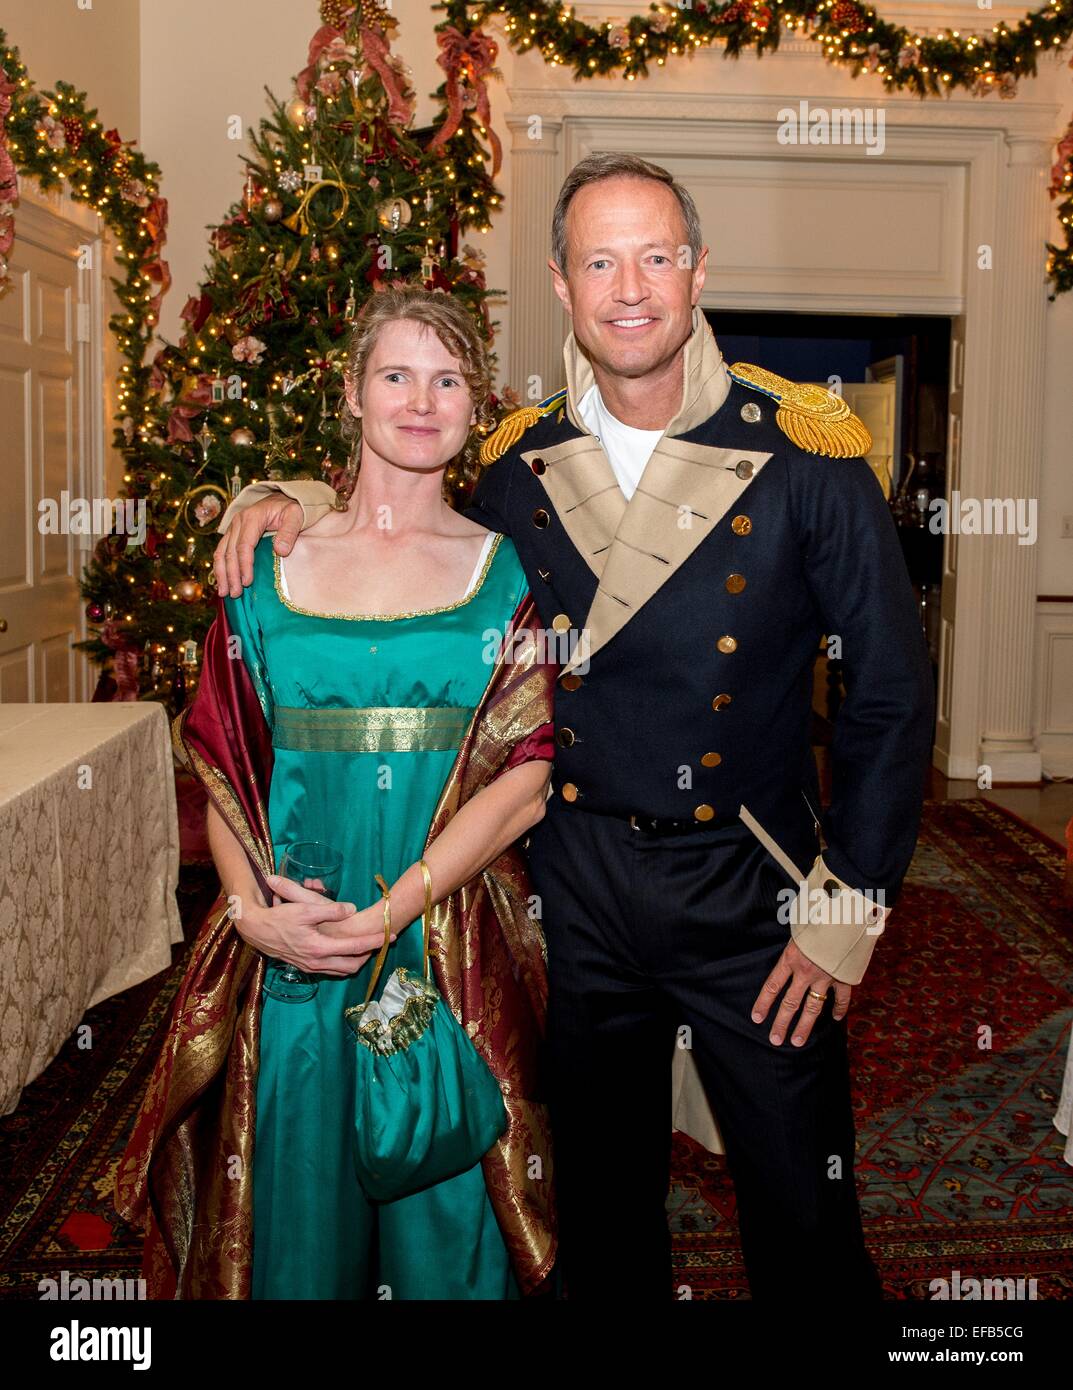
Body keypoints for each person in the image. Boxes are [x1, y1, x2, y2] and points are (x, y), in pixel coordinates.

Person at [212, 153, 936, 1301]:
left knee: (803, 1212)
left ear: (697, 271)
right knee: (597, 1218)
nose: (629, 285)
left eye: (655, 255)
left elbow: (888, 697)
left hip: (753, 888)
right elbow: (400, 510)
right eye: (600, 259)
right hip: (572, 887)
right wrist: (288, 498)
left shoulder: (806, 452)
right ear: (560, 282)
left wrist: (844, 907)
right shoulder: (515, 463)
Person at [115, 287, 558, 1300]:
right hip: (294, 949)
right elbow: (222, 760)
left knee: (443, 1225)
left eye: (446, 379)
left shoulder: (505, 575)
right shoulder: (267, 567)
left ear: (473, 404)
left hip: (443, 941)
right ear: (351, 395)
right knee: (297, 1224)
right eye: (394, 374)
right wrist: (250, 914)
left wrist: (394, 911)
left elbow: (527, 777)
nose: (418, 399)